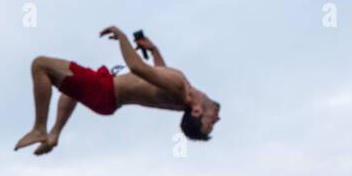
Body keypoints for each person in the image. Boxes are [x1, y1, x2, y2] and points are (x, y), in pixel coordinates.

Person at [14, 26, 220, 155]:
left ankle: (39, 128)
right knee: (70, 89)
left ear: (196, 112)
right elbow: (160, 75)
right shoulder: (180, 96)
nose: (216, 120)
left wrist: (122, 37)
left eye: (209, 122)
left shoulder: (180, 88)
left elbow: (137, 68)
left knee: (40, 65)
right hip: (107, 98)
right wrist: (154, 50)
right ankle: (54, 134)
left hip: (104, 90)